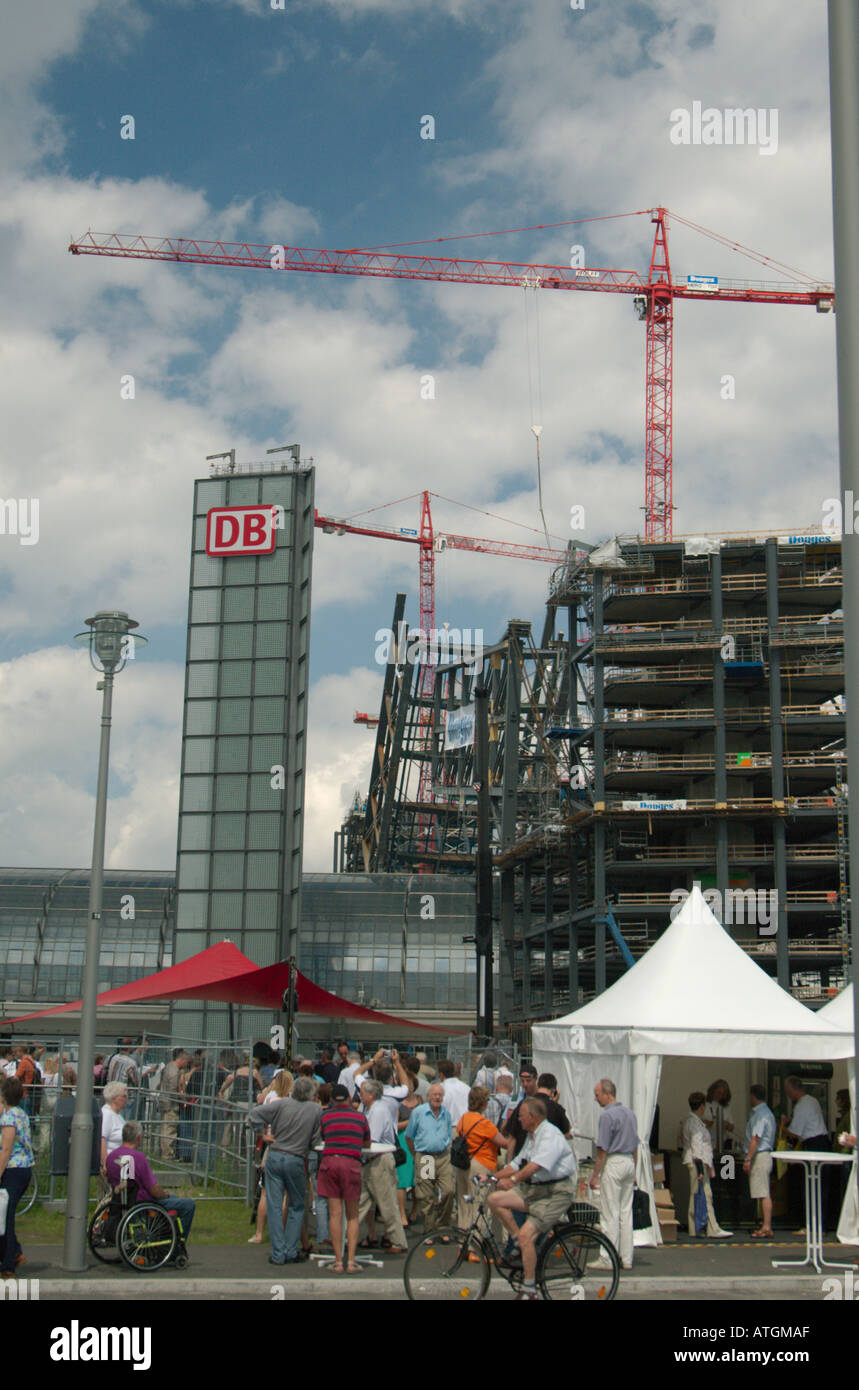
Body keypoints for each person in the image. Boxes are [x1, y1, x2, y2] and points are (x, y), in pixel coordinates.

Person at [488, 1097, 577, 1300]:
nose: (518, 1120)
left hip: (556, 1192)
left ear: (532, 1117)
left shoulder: (549, 1135)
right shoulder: (532, 1135)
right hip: (535, 1189)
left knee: (527, 1235)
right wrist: (492, 1177)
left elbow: (536, 1165)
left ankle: (529, 1289)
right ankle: (517, 1241)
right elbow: (518, 1163)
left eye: (520, 1116)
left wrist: (512, 1180)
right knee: (494, 1200)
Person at [248, 1075, 321, 1265]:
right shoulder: (315, 1110)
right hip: (296, 1158)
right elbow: (315, 1139)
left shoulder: (282, 1105)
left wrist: (262, 1134)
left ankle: (278, 1252)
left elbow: (254, 1115)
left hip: (275, 1155)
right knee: (296, 1205)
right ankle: (290, 1249)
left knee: (274, 1204)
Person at [105, 1119, 196, 1239]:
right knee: (188, 1204)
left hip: (121, 1200)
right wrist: (165, 1194)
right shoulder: (138, 1157)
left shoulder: (111, 1157)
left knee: (174, 1198)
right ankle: (178, 1240)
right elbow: (154, 1189)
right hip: (142, 1202)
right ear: (138, 1138)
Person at [317, 1082, 371, 1273]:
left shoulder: (325, 1117)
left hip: (330, 1162)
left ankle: (338, 1260)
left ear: (331, 1100)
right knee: (353, 1215)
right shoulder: (360, 1117)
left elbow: (322, 1137)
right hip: (351, 1163)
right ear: (349, 1098)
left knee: (335, 1213)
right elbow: (366, 1142)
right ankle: (351, 1260)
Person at [589, 1078, 639, 1272]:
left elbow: (602, 1149)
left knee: (610, 1212)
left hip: (614, 1161)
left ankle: (607, 1257)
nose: (596, 1098)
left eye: (597, 1094)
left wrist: (595, 1175)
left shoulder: (606, 1116)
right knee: (626, 1212)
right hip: (628, 1160)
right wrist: (635, 1168)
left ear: (607, 1094)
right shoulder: (630, 1114)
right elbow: (635, 1143)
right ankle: (626, 1258)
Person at [357, 1079, 408, 1253]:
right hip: (370, 1161)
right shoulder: (374, 1109)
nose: (360, 1095)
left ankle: (398, 1242)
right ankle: (344, 1236)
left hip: (379, 1160)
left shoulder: (378, 1111)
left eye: (362, 1092)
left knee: (387, 1203)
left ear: (370, 1095)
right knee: (360, 1203)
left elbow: (372, 1140)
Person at [454, 1086, 507, 1229]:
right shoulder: (484, 1124)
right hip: (481, 1164)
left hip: (464, 1162)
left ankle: (463, 1241)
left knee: (464, 1204)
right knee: (479, 1206)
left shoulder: (464, 1118)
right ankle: (477, 1244)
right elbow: (503, 1143)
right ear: (483, 1103)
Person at [681, 1091, 732, 1239]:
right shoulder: (695, 1124)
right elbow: (697, 1147)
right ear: (702, 1107)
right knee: (704, 1195)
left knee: (697, 1194)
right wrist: (700, 1168)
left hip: (695, 1161)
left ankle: (697, 1227)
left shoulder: (690, 1121)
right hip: (698, 1162)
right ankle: (711, 1227)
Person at [405, 1082, 454, 1231]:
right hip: (425, 1157)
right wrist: (416, 1155)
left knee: (448, 1191)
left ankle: (443, 1226)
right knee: (427, 1196)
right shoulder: (418, 1112)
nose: (437, 1097)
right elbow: (409, 1136)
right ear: (428, 1096)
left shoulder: (446, 1113)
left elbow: (449, 1135)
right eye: (434, 1094)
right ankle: (429, 1228)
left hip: (443, 1157)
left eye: (440, 1095)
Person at [784, 1076, 830, 1228]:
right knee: (820, 1185)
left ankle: (813, 1225)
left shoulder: (801, 1105)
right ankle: (819, 1224)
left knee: (811, 1184)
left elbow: (795, 1133)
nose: (786, 1093)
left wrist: (783, 1127)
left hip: (813, 1145)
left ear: (792, 1089)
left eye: (787, 1090)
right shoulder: (813, 1100)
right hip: (822, 1143)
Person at [0, 1076, 35, 1279]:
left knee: (6, 1216)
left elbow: (6, 1149)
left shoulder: (9, 1119)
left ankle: (8, 1265)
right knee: (6, 1212)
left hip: (13, 1169)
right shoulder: (20, 1114)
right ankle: (16, 1252)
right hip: (23, 1169)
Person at [744, 1083, 776, 1238]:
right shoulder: (767, 1113)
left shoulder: (760, 1115)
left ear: (753, 1096)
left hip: (761, 1155)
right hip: (765, 1154)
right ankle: (764, 1224)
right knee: (762, 1191)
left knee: (763, 1192)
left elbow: (755, 1138)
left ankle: (766, 1226)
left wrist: (748, 1158)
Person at [159, 1048, 188, 1162]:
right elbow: (172, 1090)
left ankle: (165, 1153)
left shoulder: (168, 1067)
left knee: (165, 1128)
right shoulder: (175, 1071)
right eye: (186, 1062)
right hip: (171, 1105)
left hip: (164, 1102)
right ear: (181, 1060)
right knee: (169, 1130)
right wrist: (181, 1098)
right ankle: (167, 1155)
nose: (186, 1064)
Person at [100, 1081, 129, 1173]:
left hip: (121, 1163)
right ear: (114, 1098)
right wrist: (106, 1164)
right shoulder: (106, 1114)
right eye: (124, 1096)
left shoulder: (119, 1116)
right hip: (112, 1163)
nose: (127, 1099)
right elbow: (101, 1140)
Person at [437, 1059, 470, 1126]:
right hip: (466, 1127)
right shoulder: (467, 1088)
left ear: (441, 1074)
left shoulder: (439, 1089)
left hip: (448, 1128)